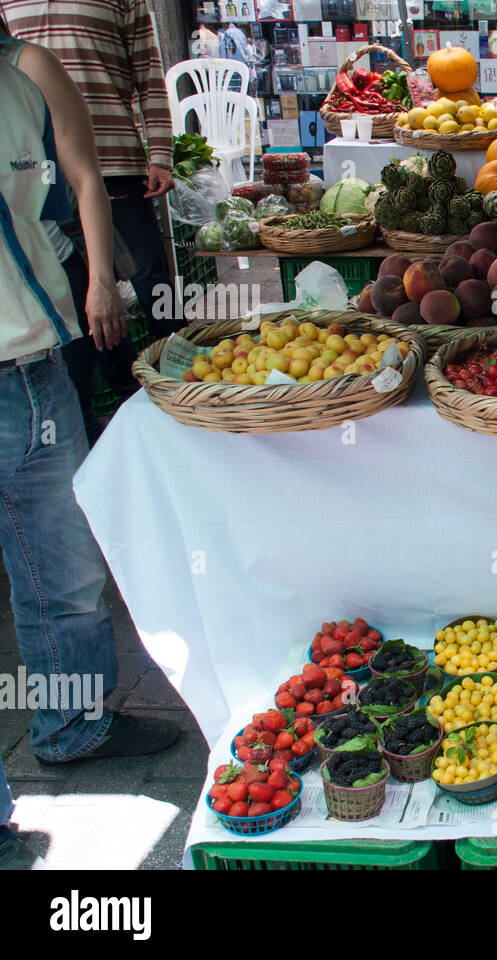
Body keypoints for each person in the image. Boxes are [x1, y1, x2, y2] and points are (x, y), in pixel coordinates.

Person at [0, 37, 179, 872]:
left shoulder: (26, 71)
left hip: (34, 359)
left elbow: (83, 175)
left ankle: (72, 725)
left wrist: (101, 275)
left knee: (63, 567)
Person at [0, 0, 180, 346]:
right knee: (77, 284)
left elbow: (149, 75)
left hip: (116, 158)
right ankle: (121, 387)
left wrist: (160, 155)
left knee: (150, 277)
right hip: (44, 173)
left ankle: (183, 360)